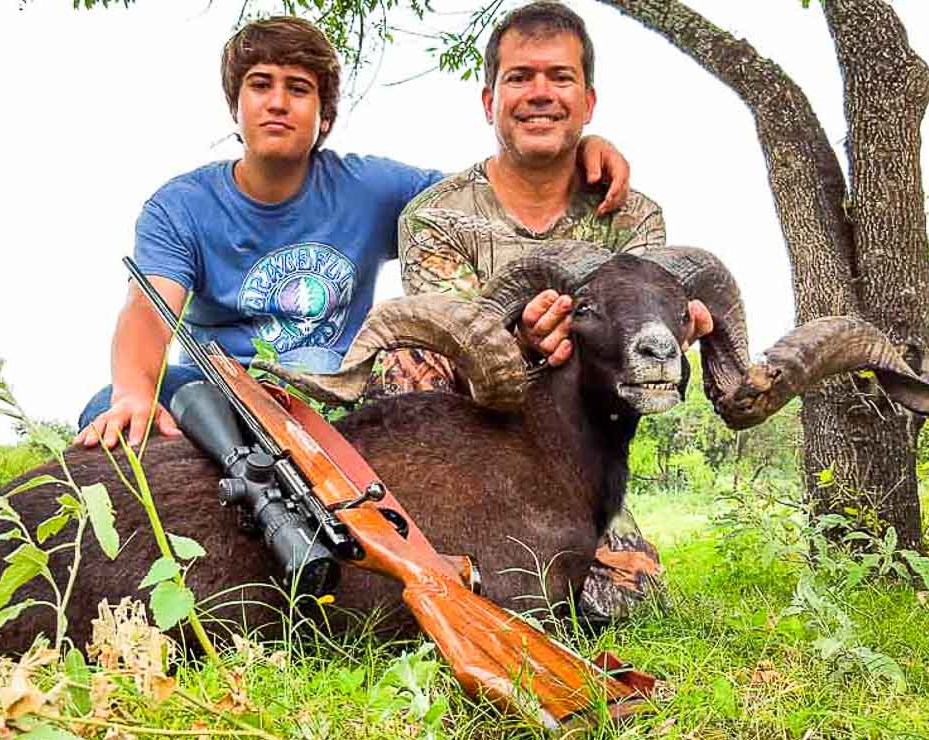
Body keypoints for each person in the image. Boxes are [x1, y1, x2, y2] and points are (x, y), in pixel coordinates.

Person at [74, 15, 632, 450]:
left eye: (298, 88)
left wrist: (571, 150)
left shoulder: (371, 187)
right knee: (106, 406)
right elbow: (147, 313)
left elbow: (487, 194)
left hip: (336, 390)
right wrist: (133, 391)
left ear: (325, 113)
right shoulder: (181, 206)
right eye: (260, 85)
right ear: (236, 104)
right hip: (218, 391)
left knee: (394, 386)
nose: (277, 102)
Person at [383, 1, 714, 621]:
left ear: (588, 103)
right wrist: (521, 345)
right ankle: (419, 535)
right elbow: (451, 353)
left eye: (560, 78)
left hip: (573, 456)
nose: (540, 93)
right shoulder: (437, 216)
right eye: (520, 77)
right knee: (409, 343)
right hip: (470, 451)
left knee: (628, 604)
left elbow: (634, 372)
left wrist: (672, 337)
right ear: (490, 101)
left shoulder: (634, 216)